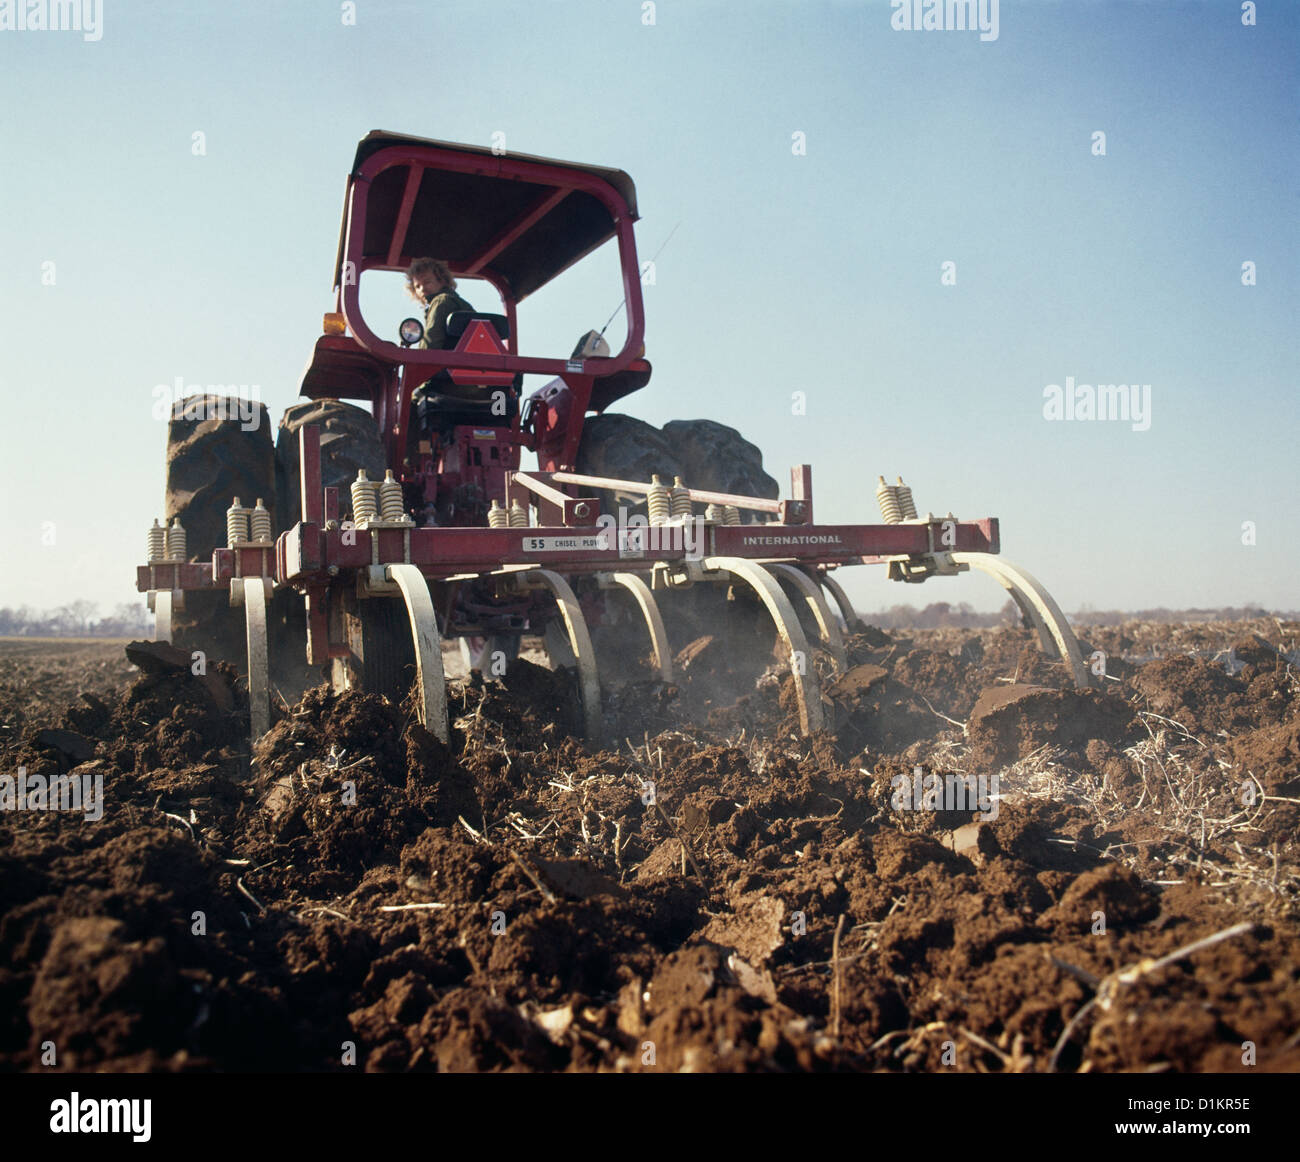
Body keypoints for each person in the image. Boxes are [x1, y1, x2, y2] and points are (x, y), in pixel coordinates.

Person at [405, 258, 474, 350]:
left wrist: (418, 361)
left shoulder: (441, 301)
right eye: (417, 286)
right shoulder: (458, 302)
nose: (422, 289)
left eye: (427, 282)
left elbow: (431, 343)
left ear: (442, 280)